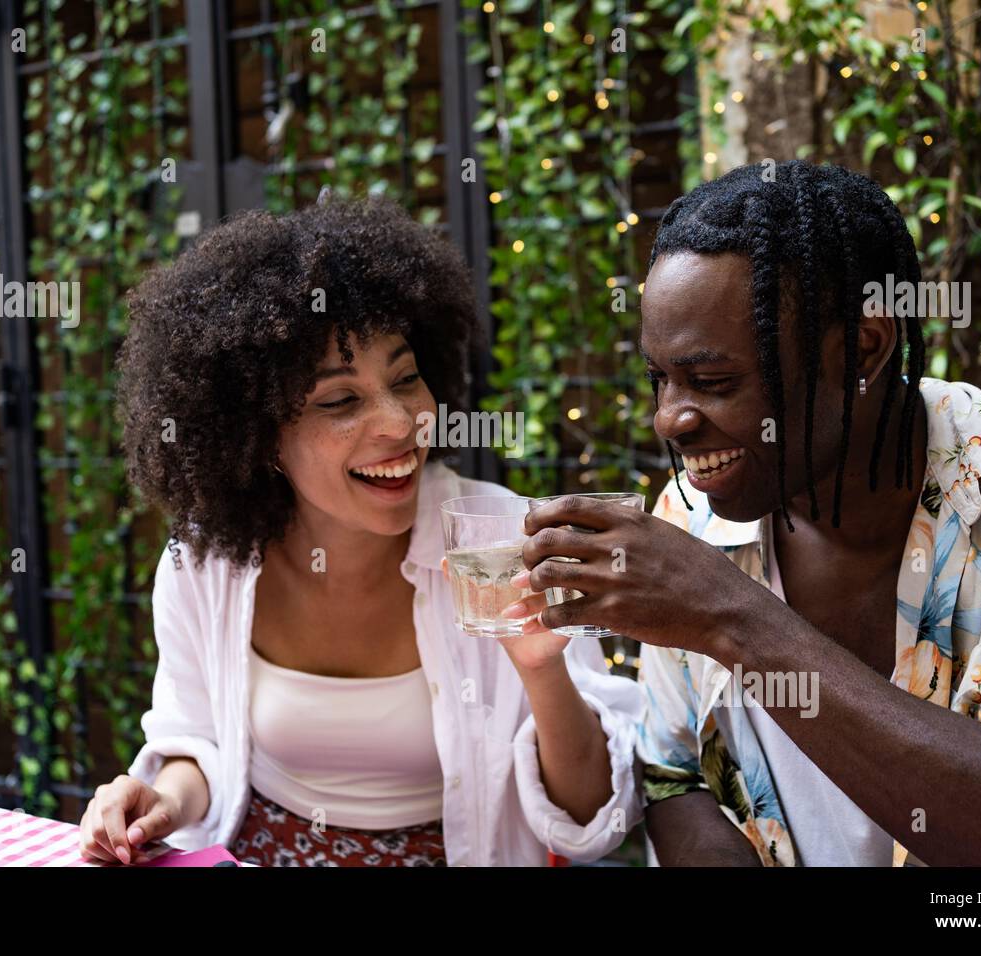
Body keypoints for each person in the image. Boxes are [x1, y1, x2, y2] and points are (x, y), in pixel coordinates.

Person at [514, 160, 981, 865]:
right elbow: (674, 778)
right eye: (660, 379)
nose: (669, 420)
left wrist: (729, 616)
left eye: (712, 381)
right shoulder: (691, 516)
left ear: (863, 349)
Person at [79, 196, 642, 867]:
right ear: (256, 437)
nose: (401, 423)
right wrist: (163, 800)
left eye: (405, 379)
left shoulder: (499, 541)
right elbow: (197, 740)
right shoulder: (204, 563)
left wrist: (543, 671)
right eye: (341, 400)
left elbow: (594, 820)